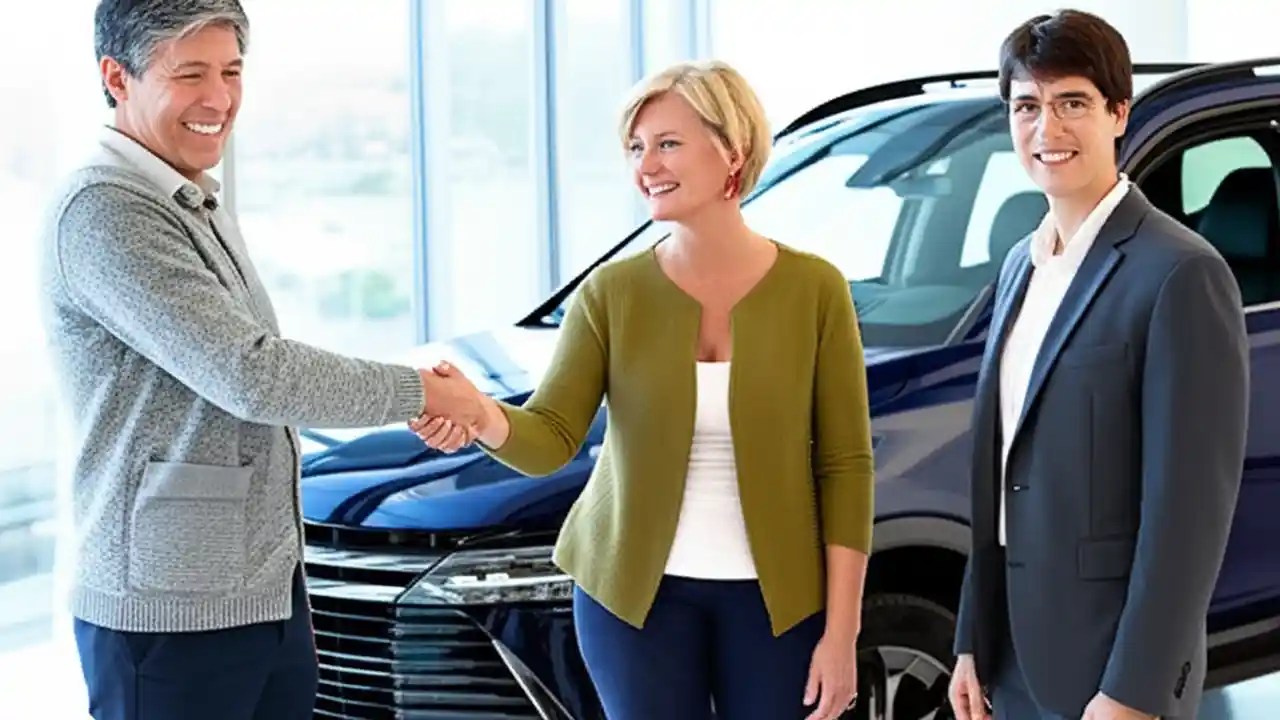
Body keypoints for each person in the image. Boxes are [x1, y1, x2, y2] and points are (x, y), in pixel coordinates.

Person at [38, 2, 482, 718]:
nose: (219, 98)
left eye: (231, 71)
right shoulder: (106, 210)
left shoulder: (185, 196)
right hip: (168, 611)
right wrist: (420, 394)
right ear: (116, 77)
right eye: (190, 74)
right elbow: (251, 373)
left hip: (256, 591)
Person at [412, 60, 874, 720]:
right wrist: (479, 413)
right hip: (633, 600)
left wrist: (843, 633)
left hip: (779, 604)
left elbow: (846, 466)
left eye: (668, 143)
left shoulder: (815, 289)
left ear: (732, 150)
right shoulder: (611, 293)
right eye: (636, 146)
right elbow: (552, 438)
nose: (646, 165)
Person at [948, 10, 1248, 720]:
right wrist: (970, 639)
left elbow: (1188, 519)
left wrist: (1134, 690)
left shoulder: (1179, 275)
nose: (1046, 129)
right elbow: (999, 476)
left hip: (1109, 671)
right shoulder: (1022, 264)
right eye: (1027, 105)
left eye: (1072, 102)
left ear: (1118, 113)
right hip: (1011, 660)